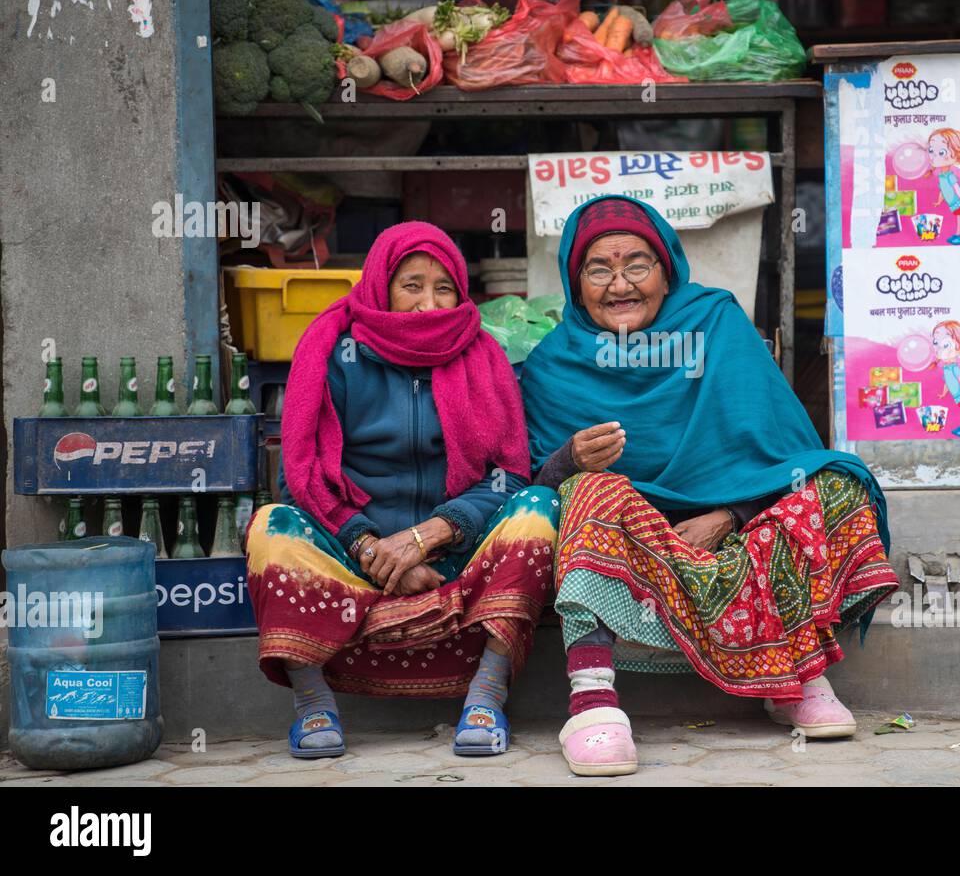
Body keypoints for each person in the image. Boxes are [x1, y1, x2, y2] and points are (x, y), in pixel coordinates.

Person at [522, 196, 899, 777]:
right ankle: (592, 698)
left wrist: (730, 512)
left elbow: (783, 451)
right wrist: (567, 458)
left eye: (637, 264)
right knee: (584, 492)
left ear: (667, 269)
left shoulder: (714, 324)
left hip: (732, 527)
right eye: (598, 269)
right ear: (575, 282)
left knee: (836, 490)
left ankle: (795, 675)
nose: (620, 285)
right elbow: (529, 486)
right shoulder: (552, 364)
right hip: (632, 542)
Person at [245, 221, 559, 760]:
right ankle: (313, 703)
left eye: (444, 288)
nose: (426, 303)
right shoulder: (332, 351)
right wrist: (373, 550)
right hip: (352, 552)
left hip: (454, 554)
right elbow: (304, 478)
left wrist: (429, 536)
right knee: (272, 526)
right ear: (381, 285)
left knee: (539, 509)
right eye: (411, 284)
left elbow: (508, 474)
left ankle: (487, 694)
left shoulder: (482, 355)